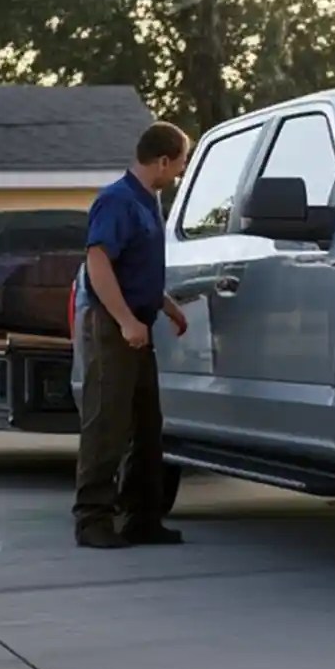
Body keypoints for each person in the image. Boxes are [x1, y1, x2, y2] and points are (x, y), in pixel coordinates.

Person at [73, 121, 191, 549]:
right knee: (107, 423)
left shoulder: (148, 202)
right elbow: (99, 264)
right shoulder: (117, 200)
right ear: (161, 161)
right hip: (111, 326)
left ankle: (142, 517)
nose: (179, 171)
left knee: (146, 426)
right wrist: (125, 321)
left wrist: (166, 305)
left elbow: (135, 268)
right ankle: (92, 521)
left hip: (139, 322)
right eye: (178, 163)